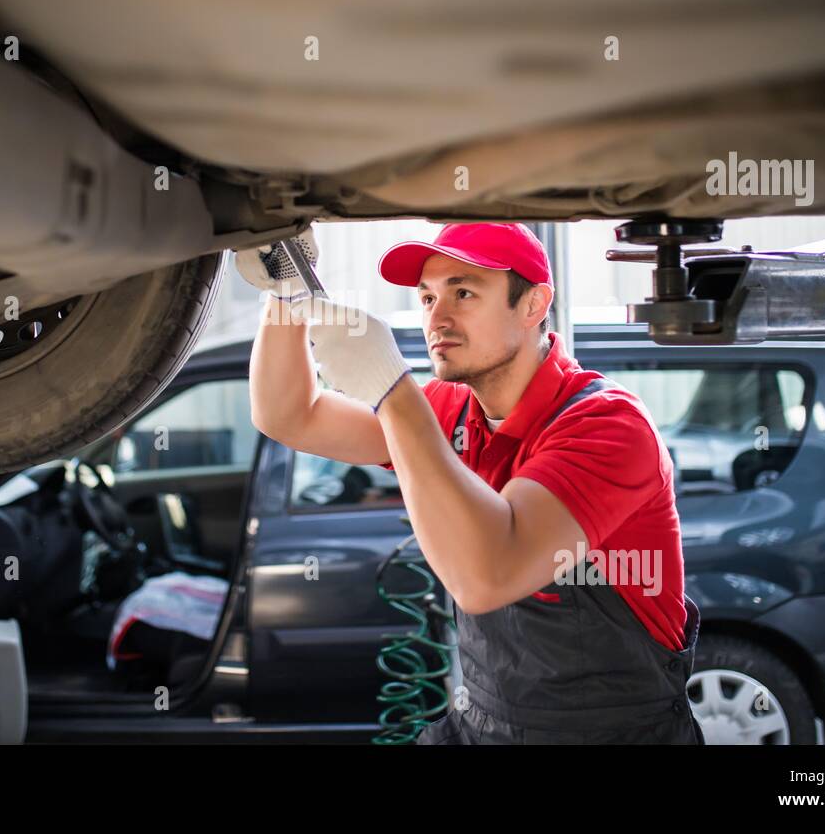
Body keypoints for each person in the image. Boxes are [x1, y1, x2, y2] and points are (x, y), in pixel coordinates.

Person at [239, 222, 704, 744]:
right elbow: (290, 416)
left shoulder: (609, 426)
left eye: (463, 293)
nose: (437, 318)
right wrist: (285, 295)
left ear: (533, 304)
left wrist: (393, 393)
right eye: (427, 297)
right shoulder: (451, 408)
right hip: (484, 724)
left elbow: (487, 574)